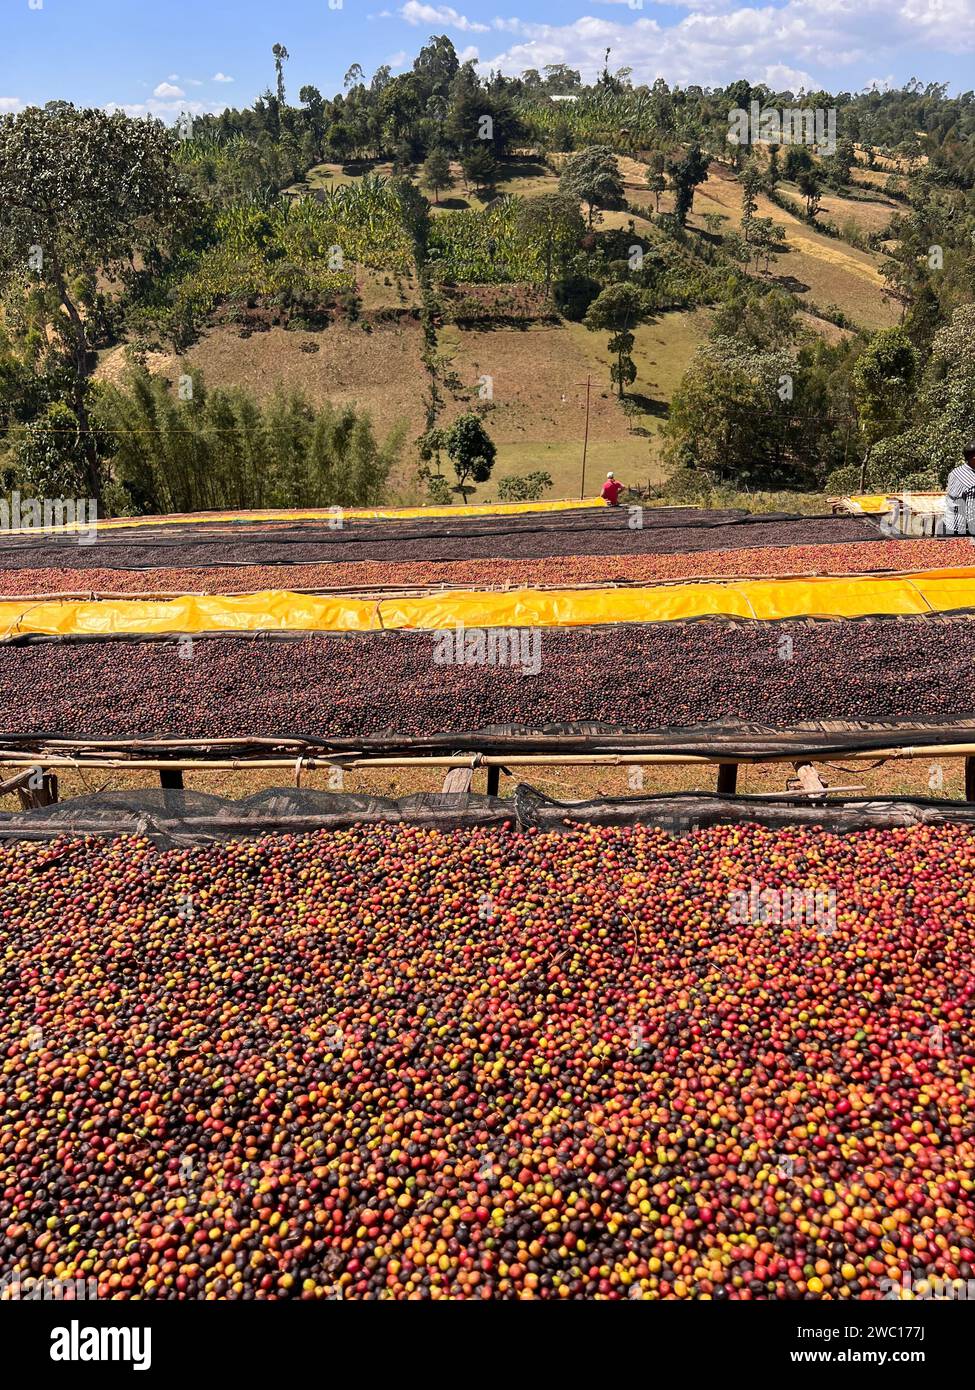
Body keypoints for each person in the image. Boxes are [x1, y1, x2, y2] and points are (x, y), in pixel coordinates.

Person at [941, 443, 975, 536]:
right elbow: (971, 514)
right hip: (961, 531)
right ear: (973, 458)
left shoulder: (955, 472)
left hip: (947, 524)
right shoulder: (972, 484)